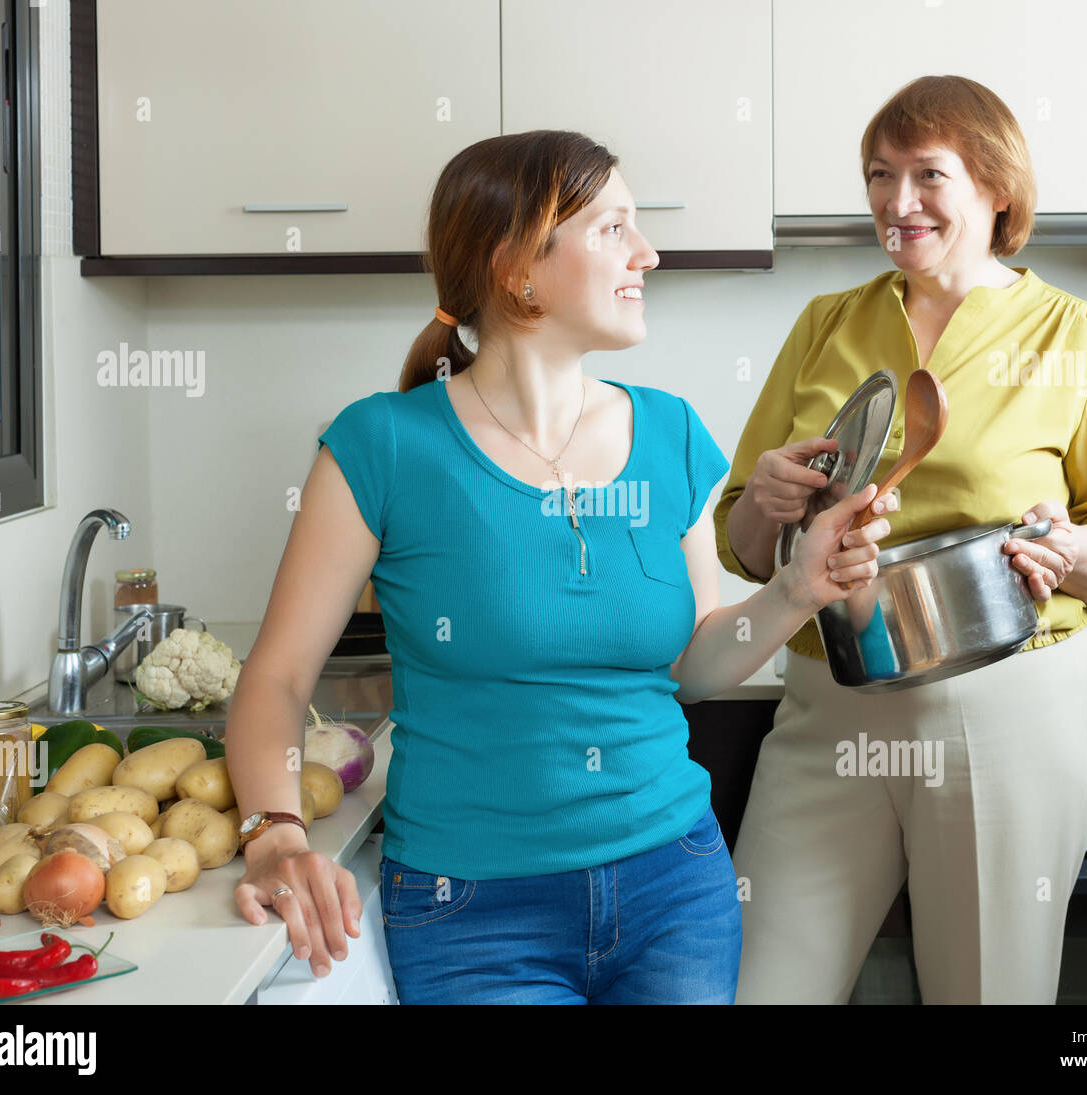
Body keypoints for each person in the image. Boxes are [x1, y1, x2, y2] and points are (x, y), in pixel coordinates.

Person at [224, 130, 899, 1004]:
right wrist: (275, 833)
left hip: (676, 888)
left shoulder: (673, 433)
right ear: (518, 268)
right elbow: (276, 678)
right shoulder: (381, 445)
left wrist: (794, 589)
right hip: (471, 912)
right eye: (615, 227)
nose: (648, 253)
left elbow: (695, 664)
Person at [715, 76, 1087, 1004]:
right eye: (881, 175)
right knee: (756, 985)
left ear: (998, 189)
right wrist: (764, 493)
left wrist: (1068, 550)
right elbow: (745, 545)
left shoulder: (1085, 337)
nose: (897, 200)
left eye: (929, 174)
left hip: (1000, 703)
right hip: (828, 697)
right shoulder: (826, 323)